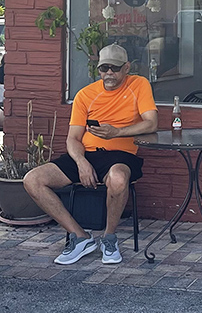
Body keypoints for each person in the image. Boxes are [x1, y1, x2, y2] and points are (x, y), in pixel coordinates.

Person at [24, 44, 158, 265]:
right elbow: (73, 138)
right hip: (87, 155)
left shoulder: (138, 84)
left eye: (114, 68)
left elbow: (151, 123)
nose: (109, 74)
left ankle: (109, 238)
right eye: (104, 68)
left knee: (117, 178)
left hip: (121, 154)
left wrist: (117, 132)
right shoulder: (86, 94)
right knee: (33, 180)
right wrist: (81, 161)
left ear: (126, 68)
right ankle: (80, 237)